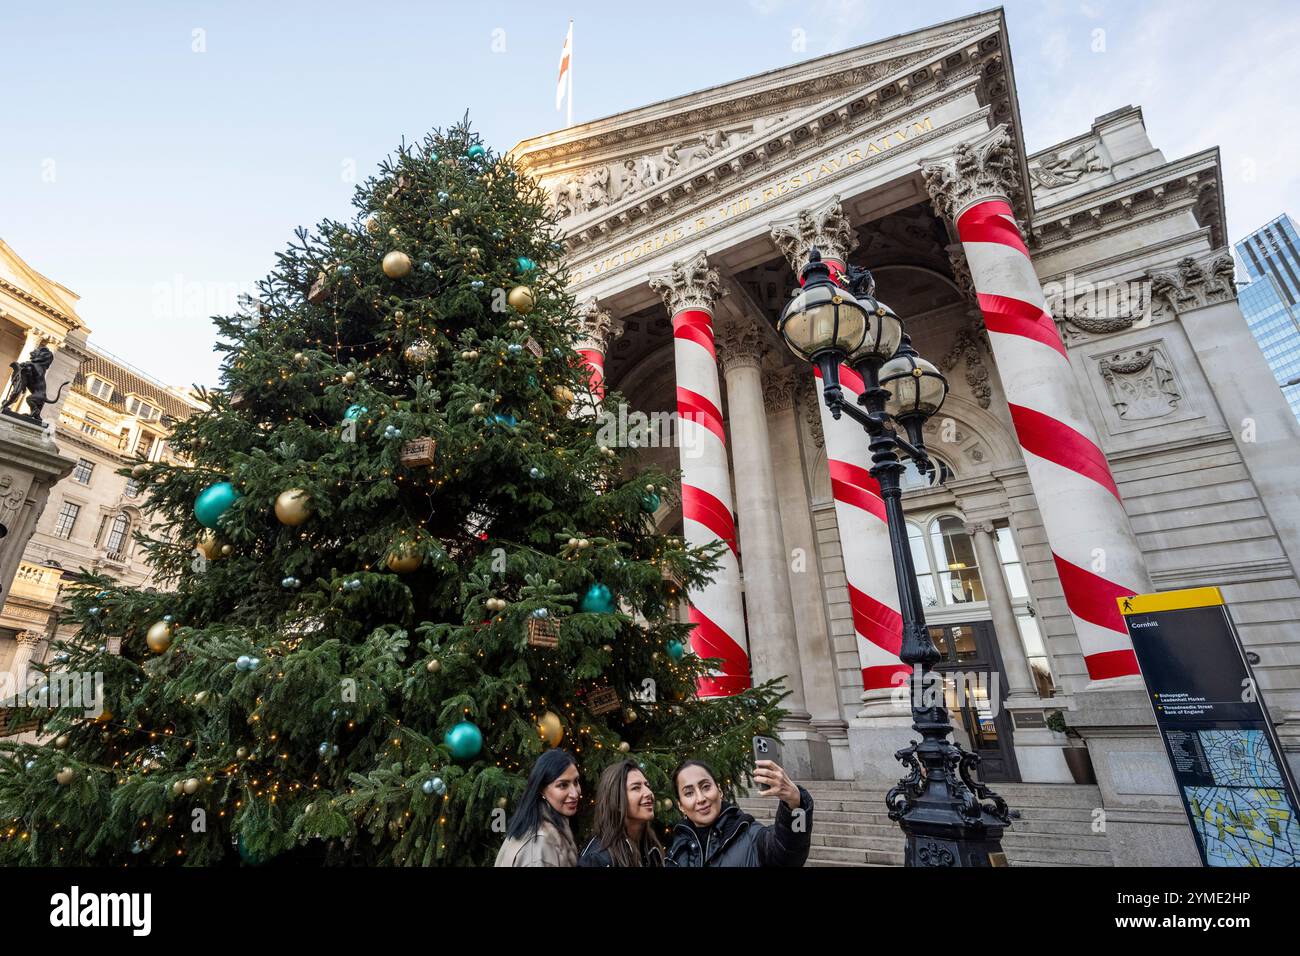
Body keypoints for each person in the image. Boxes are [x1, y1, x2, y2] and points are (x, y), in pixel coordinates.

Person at [666, 757, 813, 867]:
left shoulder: (753, 835)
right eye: (689, 793)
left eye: (705, 787)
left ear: (720, 791)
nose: (701, 798)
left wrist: (795, 805)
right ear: (680, 805)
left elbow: (790, 853)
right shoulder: (676, 851)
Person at [494, 749, 582, 867]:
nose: (575, 793)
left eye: (576, 782)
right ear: (541, 789)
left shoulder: (543, 827)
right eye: (563, 785)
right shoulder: (538, 846)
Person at [578, 759, 665, 867]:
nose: (649, 793)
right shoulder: (597, 859)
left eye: (647, 785)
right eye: (636, 788)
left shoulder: (651, 848)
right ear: (616, 800)